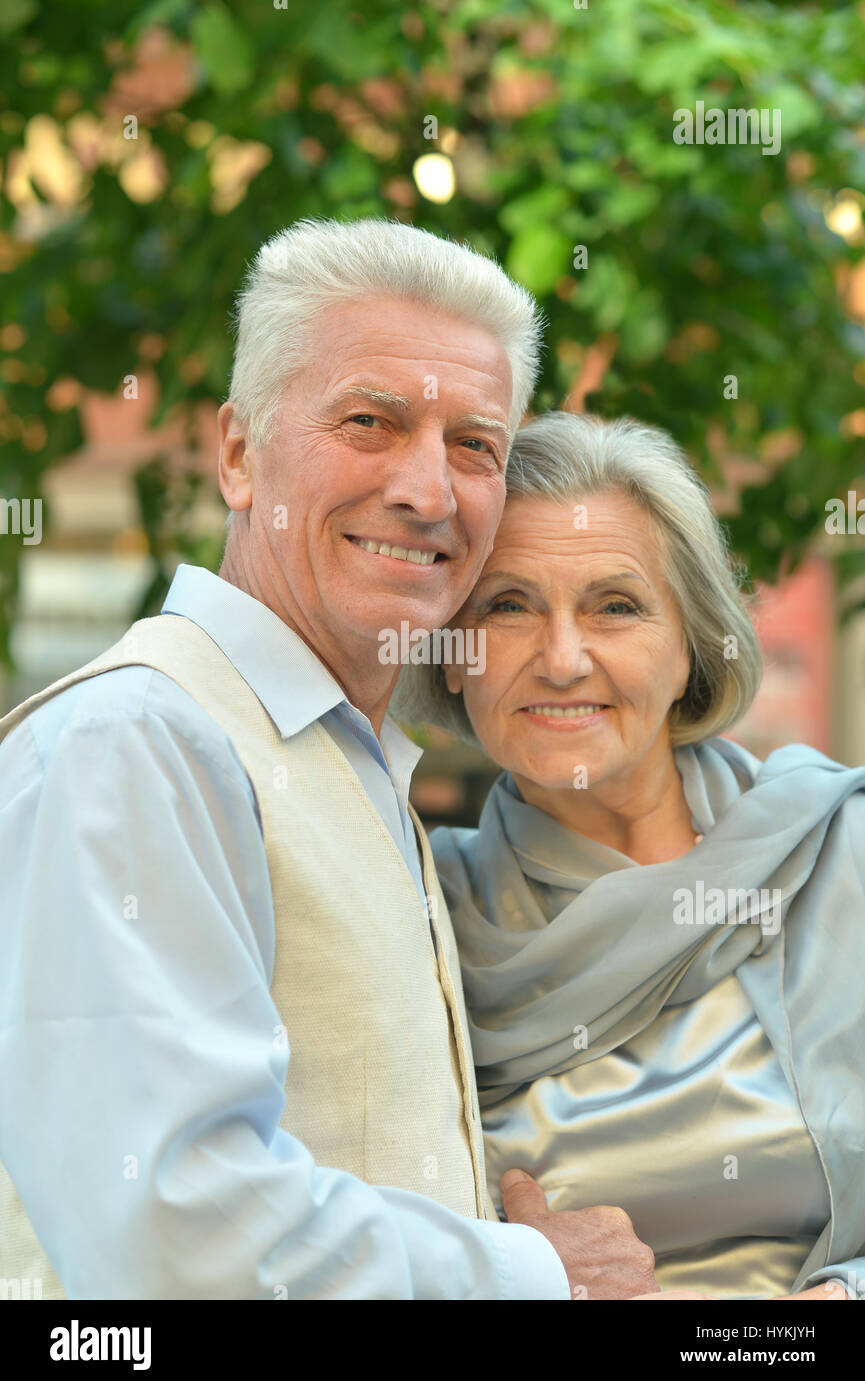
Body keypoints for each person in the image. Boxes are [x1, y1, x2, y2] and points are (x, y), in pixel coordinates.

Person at [0, 221, 665, 1301]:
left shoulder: (341, 762)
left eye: (475, 446)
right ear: (237, 454)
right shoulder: (139, 742)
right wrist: (531, 1274)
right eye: (370, 422)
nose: (428, 492)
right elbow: (169, 1242)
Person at [393, 410, 863, 1301]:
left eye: (615, 606)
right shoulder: (411, 912)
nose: (562, 659)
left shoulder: (842, 852)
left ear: (691, 648)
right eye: (508, 606)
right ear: (452, 655)